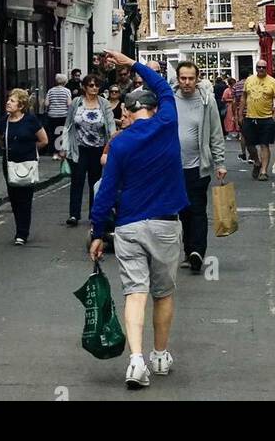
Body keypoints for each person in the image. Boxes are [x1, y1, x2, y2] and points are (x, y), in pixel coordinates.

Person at [89, 51, 188, 391]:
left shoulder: (120, 143)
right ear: (154, 109)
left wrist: (98, 232)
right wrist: (131, 62)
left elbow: (106, 191)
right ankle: (159, 355)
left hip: (129, 226)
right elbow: (163, 86)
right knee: (163, 293)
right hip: (164, 223)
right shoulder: (167, 122)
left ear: (128, 113)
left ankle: (136, 361)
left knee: (135, 293)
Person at [173, 60, 227, 273]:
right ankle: (188, 250)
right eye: (183, 78)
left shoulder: (207, 100)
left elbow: (216, 133)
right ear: (178, 79)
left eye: (191, 78)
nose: (187, 82)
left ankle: (197, 251)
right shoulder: (169, 100)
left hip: (198, 165)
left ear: (197, 79)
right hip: (174, 168)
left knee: (197, 208)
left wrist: (220, 162)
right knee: (183, 210)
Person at [61, 74, 115, 225]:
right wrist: (63, 147)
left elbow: (111, 125)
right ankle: (74, 214)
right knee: (77, 180)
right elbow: (68, 125)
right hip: (79, 148)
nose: (94, 88)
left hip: (98, 148)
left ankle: (94, 214)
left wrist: (111, 145)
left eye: (97, 85)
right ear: (84, 87)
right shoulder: (76, 103)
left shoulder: (104, 104)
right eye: (91, 85)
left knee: (95, 182)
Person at [0, 87, 47, 244]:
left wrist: (30, 150)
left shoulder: (30, 120)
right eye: (8, 100)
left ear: (21, 105)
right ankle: (20, 226)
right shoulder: (4, 120)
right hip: (9, 164)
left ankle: (22, 233)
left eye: (12, 101)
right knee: (14, 198)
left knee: (25, 199)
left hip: (27, 164)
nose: (8, 102)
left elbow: (44, 140)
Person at [238, 59, 275, 180]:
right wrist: (240, 114)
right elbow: (243, 97)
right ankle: (257, 162)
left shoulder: (273, 82)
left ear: (266, 68)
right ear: (256, 68)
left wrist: (274, 116)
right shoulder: (249, 80)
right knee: (249, 144)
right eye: (259, 67)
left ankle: (263, 171)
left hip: (266, 118)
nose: (261, 69)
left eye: (263, 67)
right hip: (250, 118)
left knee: (264, 144)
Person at [44, 74, 72, 157]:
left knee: (53, 134)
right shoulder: (67, 91)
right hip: (63, 115)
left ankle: (54, 152)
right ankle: (61, 152)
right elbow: (69, 104)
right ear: (65, 81)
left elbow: (46, 103)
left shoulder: (50, 91)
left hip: (52, 115)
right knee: (62, 134)